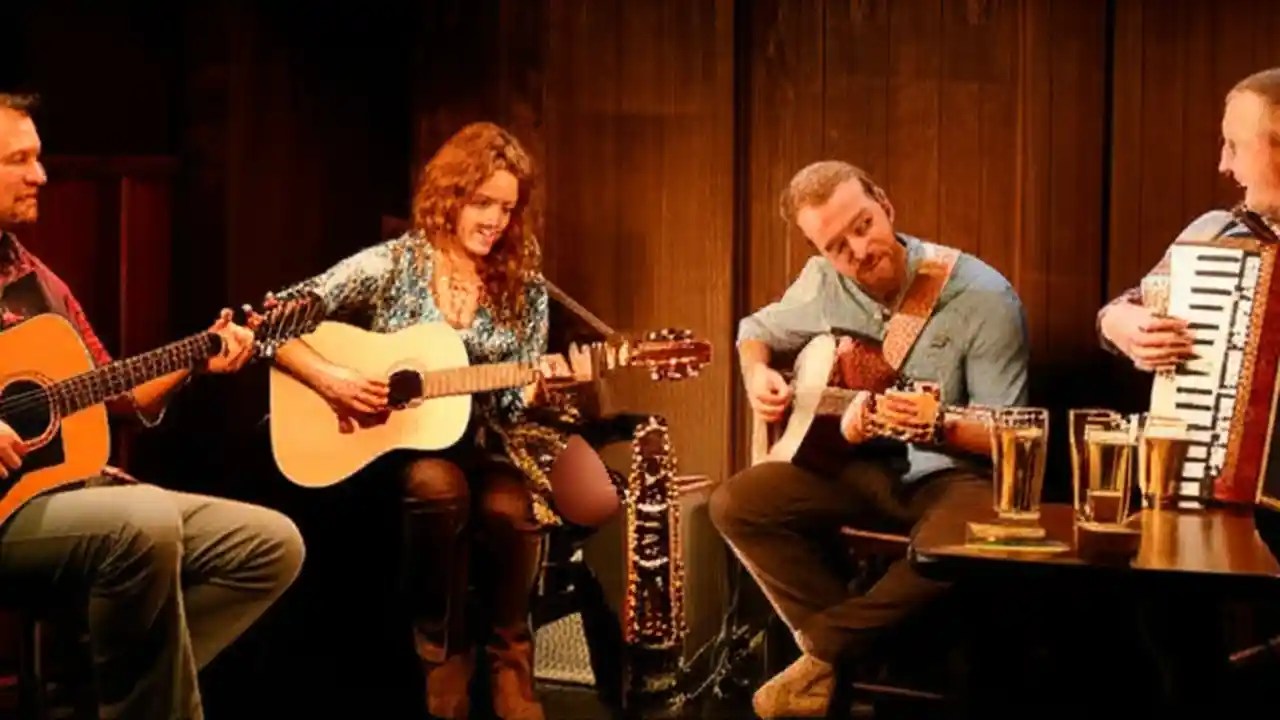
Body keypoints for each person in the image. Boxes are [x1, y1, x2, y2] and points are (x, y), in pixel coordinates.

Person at [268, 121, 618, 720]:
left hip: (485, 443)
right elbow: (272, 325)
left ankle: (512, 660)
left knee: (511, 512)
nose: (495, 221)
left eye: (507, 208)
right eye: (483, 203)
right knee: (438, 487)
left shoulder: (522, 286)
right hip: (398, 443)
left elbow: (509, 407)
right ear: (450, 197)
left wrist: (538, 385)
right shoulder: (394, 265)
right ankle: (442, 652)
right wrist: (335, 380)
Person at [0, 92, 305, 719]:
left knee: (271, 544)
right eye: (19, 160)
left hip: (71, 492)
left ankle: (97, 696)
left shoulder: (37, 279)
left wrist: (194, 359)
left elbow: (116, 391)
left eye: (39, 157)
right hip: (11, 515)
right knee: (142, 522)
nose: (42, 174)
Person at [709, 160, 1030, 718]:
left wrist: (936, 424)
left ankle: (824, 656)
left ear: (885, 205)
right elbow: (754, 332)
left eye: (863, 225)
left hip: (953, 478)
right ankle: (864, 652)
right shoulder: (822, 283)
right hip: (860, 468)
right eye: (836, 245)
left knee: (963, 539)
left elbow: (1011, 436)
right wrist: (755, 372)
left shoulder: (984, 295)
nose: (857, 250)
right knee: (737, 504)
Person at [1098, 67, 1280, 368]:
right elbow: (1125, 307)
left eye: (1234, 145)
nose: (1224, 164)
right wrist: (1122, 323)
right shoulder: (1222, 235)